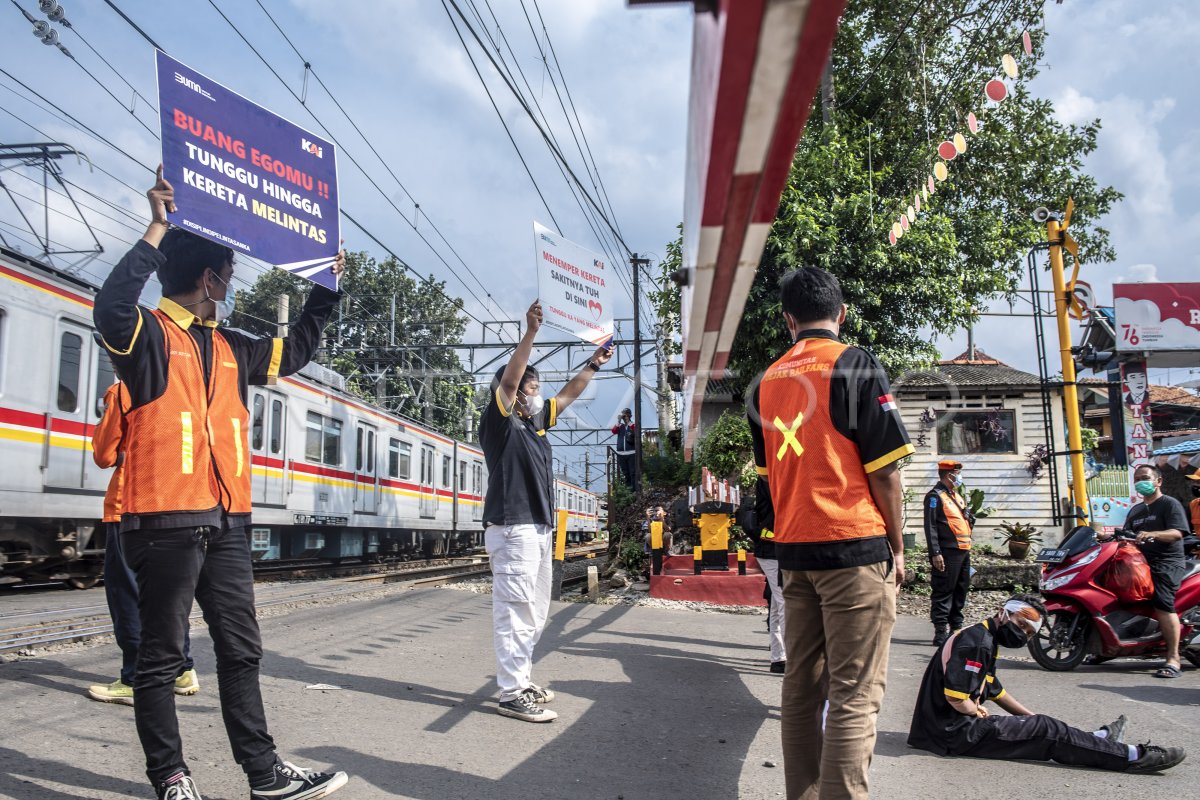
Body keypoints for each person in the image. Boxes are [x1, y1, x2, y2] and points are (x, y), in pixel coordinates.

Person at [93, 167, 348, 800]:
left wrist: (326, 288)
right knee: (159, 660)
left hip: (228, 523)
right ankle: (172, 778)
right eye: (229, 275)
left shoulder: (233, 346)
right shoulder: (147, 337)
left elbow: (298, 351)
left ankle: (263, 776)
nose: (231, 285)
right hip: (164, 523)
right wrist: (157, 228)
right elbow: (110, 307)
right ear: (211, 280)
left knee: (241, 652)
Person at [747, 266, 913, 800]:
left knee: (801, 687)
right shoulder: (854, 364)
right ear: (841, 313)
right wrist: (899, 544)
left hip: (795, 554)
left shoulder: (765, 383)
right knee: (854, 695)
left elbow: (769, 479)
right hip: (854, 548)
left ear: (788, 320)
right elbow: (886, 472)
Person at [479, 298, 612, 723]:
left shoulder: (536, 424)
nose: (537, 396)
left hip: (538, 527)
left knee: (535, 611)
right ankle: (510, 692)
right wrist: (531, 332)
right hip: (512, 527)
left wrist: (594, 363)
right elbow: (511, 377)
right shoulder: (499, 422)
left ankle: (521, 678)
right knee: (515, 610)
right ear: (514, 394)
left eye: (536, 390)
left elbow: (570, 394)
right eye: (530, 389)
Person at [908, 594, 1186, 773]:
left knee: (1045, 726)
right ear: (1002, 613)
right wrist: (975, 711)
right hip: (953, 734)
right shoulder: (976, 643)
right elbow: (957, 698)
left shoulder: (983, 637)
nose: (1023, 634)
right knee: (1049, 734)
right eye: (1021, 624)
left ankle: (1095, 740)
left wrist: (1033, 719)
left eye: (1029, 633)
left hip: (944, 730)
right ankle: (1132, 756)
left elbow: (996, 691)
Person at [86, 380, 198, 706]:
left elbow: (105, 455)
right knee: (167, 597)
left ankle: (135, 678)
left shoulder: (123, 390)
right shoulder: (188, 387)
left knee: (129, 597)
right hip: (179, 508)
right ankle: (181, 670)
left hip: (130, 507)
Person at [1097, 463, 1189, 678]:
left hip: (1167, 562)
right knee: (1111, 593)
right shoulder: (1136, 510)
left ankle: (1173, 658)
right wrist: (1105, 536)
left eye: (1145, 478)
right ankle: (1112, 647)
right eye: (1137, 479)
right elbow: (1126, 534)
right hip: (1139, 564)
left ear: (1158, 481)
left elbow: (1178, 533)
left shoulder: (1169, 504)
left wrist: (1153, 534)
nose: (1141, 482)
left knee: (1162, 601)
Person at [923, 459, 975, 647]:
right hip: (947, 551)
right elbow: (930, 526)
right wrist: (935, 552)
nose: (959, 476)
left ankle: (956, 628)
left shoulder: (956, 496)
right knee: (944, 590)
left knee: (961, 589)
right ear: (949, 475)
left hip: (963, 551)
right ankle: (940, 631)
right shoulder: (934, 496)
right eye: (957, 473)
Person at [746, 478, 786, 674]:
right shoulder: (772, 480)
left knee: (778, 604)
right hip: (775, 551)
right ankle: (793, 658)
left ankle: (779, 658)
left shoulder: (766, 478)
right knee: (785, 602)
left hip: (769, 550)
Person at [611, 408, 636, 488]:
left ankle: (634, 490)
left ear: (630, 415)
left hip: (631, 452)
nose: (625, 417)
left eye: (626, 415)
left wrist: (628, 422)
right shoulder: (620, 426)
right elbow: (614, 431)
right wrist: (618, 421)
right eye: (624, 415)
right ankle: (628, 489)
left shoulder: (633, 425)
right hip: (621, 453)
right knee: (625, 473)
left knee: (633, 472)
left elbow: (635, 430)